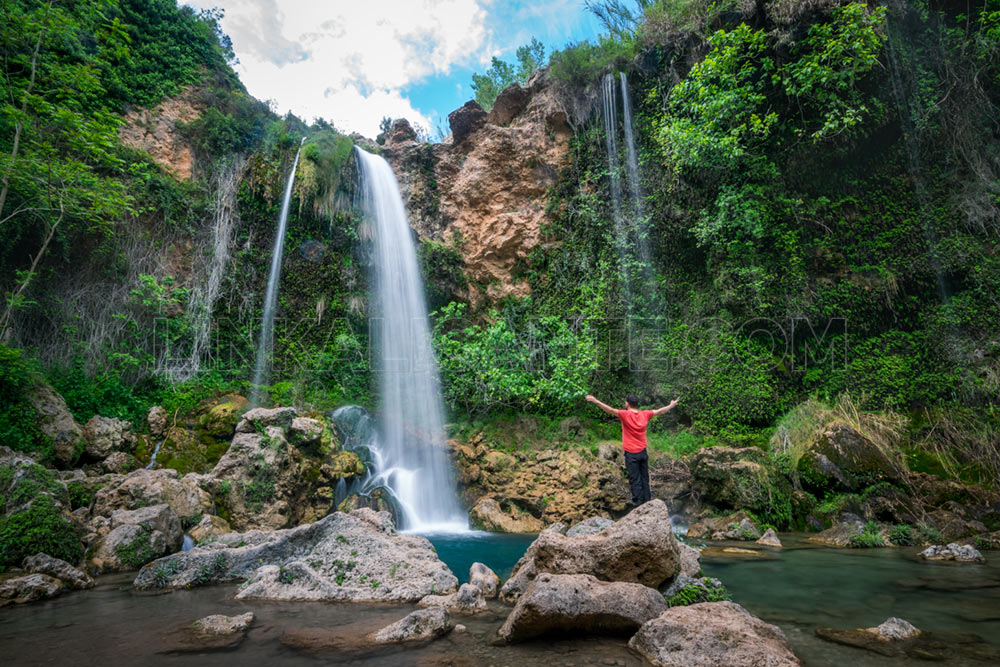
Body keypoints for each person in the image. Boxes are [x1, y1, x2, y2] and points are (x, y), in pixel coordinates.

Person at [585, 393, 679, 507]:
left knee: (635, 479)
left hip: (631, 454)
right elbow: (660, 411)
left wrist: (596, 401)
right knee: (644, 477)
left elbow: (609, 410)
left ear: (627, 404)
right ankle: (647, 501)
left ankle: (638, 505)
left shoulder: (625, 414)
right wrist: (671, 405)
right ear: (636, 404)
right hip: (643, 452)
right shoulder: (645, 414)